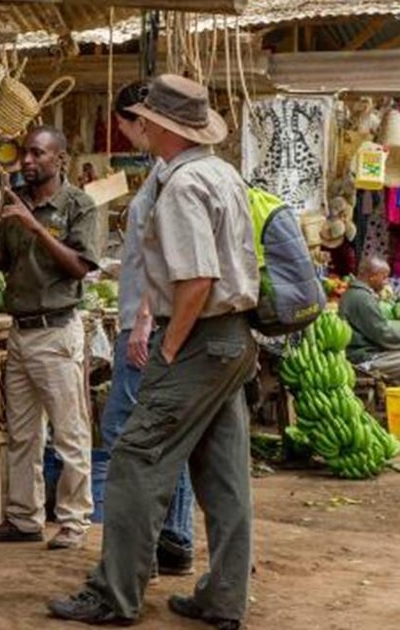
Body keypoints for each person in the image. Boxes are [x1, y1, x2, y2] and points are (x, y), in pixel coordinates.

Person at [48, 74, 259, 629]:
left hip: (198, 337)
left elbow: (196, 280)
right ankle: (223, 597)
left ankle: (114, 595)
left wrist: (166, 346)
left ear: (159, 126)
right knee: (225, 476)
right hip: (233, 338)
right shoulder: (222, 173)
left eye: (142, 120)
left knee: (135, 464)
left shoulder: (184, 186)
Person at [0, 126, 99, 551]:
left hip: (57, 332)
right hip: (20, 332)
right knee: (22, 434)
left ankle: (74, 521)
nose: (27, 161)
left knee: (69, 432)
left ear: (61, 159)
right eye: (25, 154)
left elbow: (81, 267)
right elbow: (4, 262)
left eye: (38, 154)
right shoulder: (15, 205)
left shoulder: (78, 206)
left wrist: (36, 227)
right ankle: (24, 519)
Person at [106, 81, 197, 577]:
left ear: (140, 122)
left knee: (134, 431)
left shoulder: (171, 176)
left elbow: (170, 260)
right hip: (149, 319)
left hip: (147, 323)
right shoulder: (167, 173)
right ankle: (171, 536)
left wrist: (143, 320)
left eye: (126, 126)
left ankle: (168, 537)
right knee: (155, 430)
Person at [338, 256, 400, 387]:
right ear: (372, 276)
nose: (386, 282)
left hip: (362, 352)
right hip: (363, 357)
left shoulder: (353, 294)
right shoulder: (362, 298)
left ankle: (397, 398)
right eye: (384, 277)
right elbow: (383, 334)